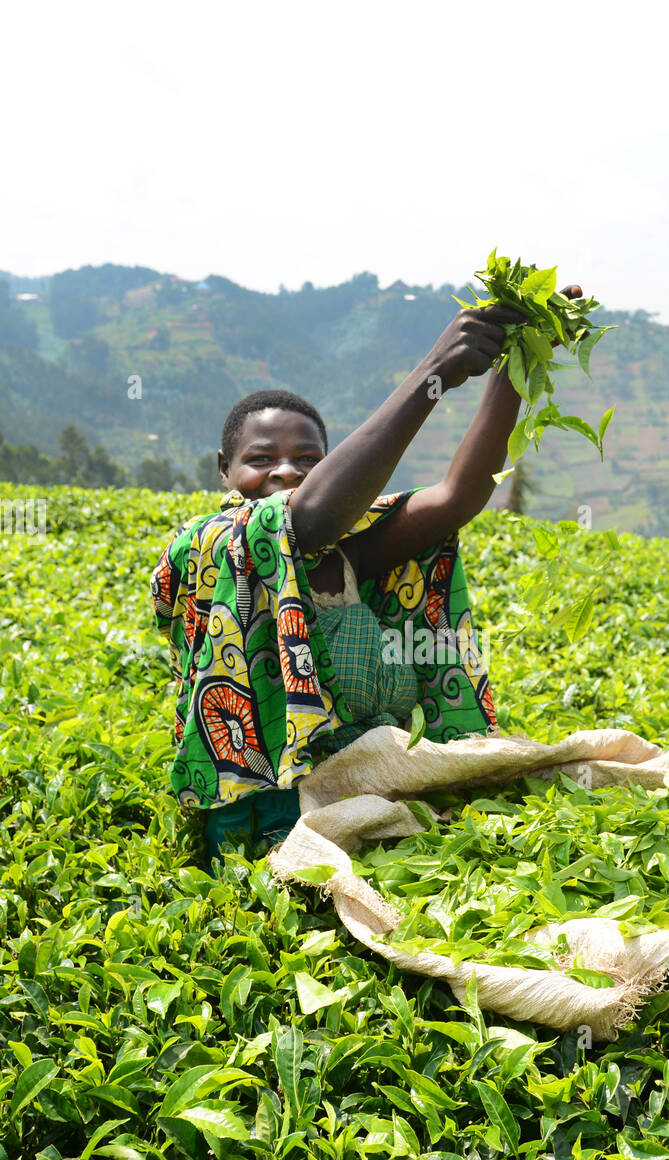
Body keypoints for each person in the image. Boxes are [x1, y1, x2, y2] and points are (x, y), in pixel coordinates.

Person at [151, 287, 584, 864]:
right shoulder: (209, 546)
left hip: (374, 792)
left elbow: (456, 498)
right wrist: (434, 372)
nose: (287, 470)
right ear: (224, 468)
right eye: (261, 459)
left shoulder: (347, 559)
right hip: (270, 818)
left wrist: (516, 360)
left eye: (310, 460)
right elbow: (307, 518)